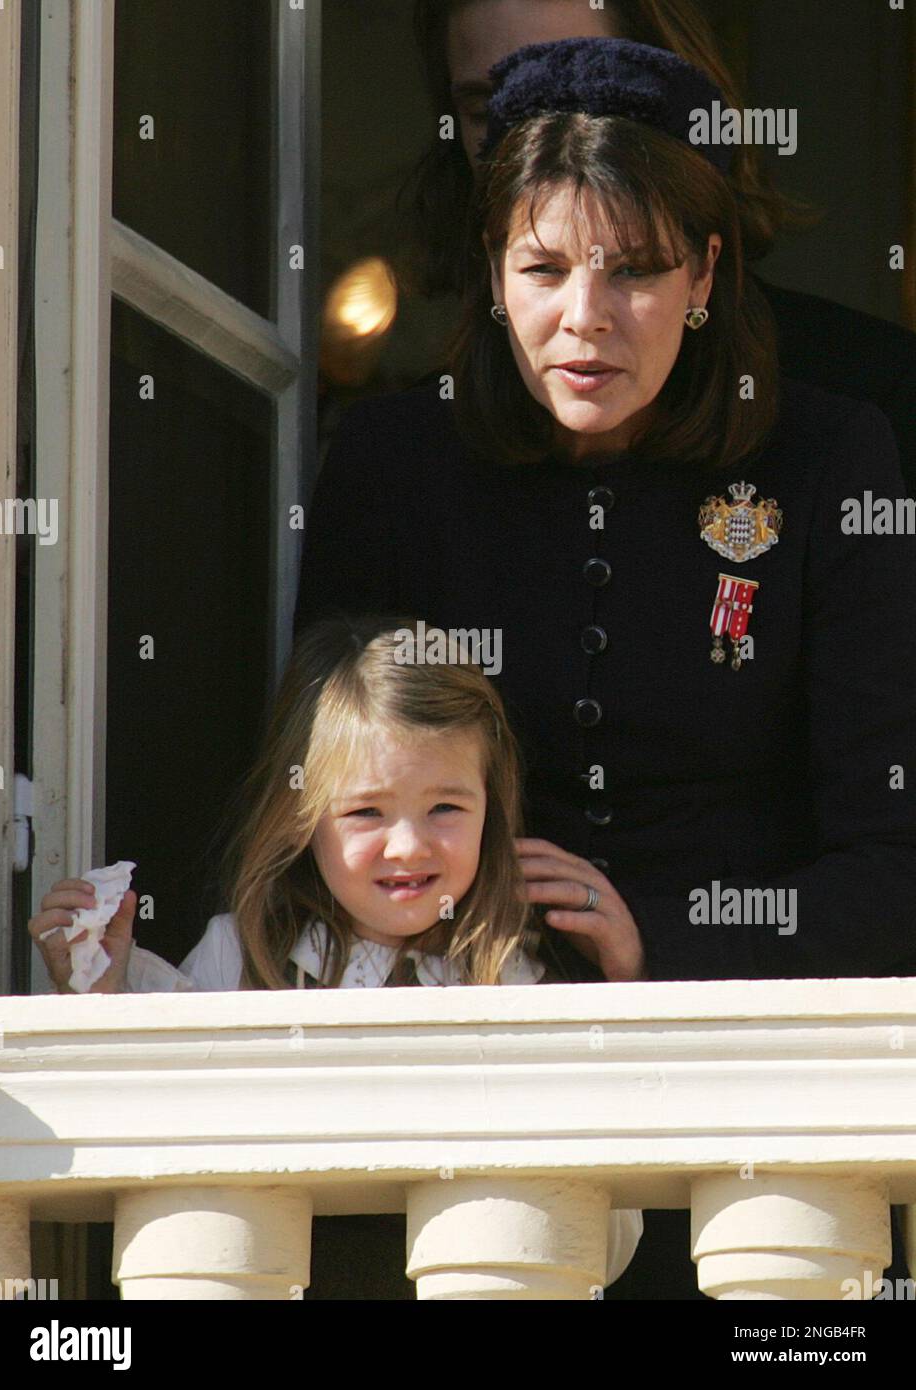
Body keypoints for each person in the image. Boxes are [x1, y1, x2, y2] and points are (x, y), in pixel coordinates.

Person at [294, 37, 916, 1296]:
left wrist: (661, 942)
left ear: (706, 274)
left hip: (754, 1102)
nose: (584, 318)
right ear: (492, 271)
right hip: (453, 1095)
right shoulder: (393, 463)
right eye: (543, 269)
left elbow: (895, 857)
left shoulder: (830, 460)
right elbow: (315, 810)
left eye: (634, 271)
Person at [29, 614, 645, 1298]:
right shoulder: (242, 958)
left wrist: (626, 985)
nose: (408, 846)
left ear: (491, 810)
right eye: (365, 813)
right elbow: (152, 1148)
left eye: (446, 807)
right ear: (302, 817)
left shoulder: (517, 977)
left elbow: (604, 1242)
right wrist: (100, 992)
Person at [400, 0, 916, 488]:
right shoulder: (405, 455)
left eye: (582, 87)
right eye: (493, 109)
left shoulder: (860, 407)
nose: (552, 140)